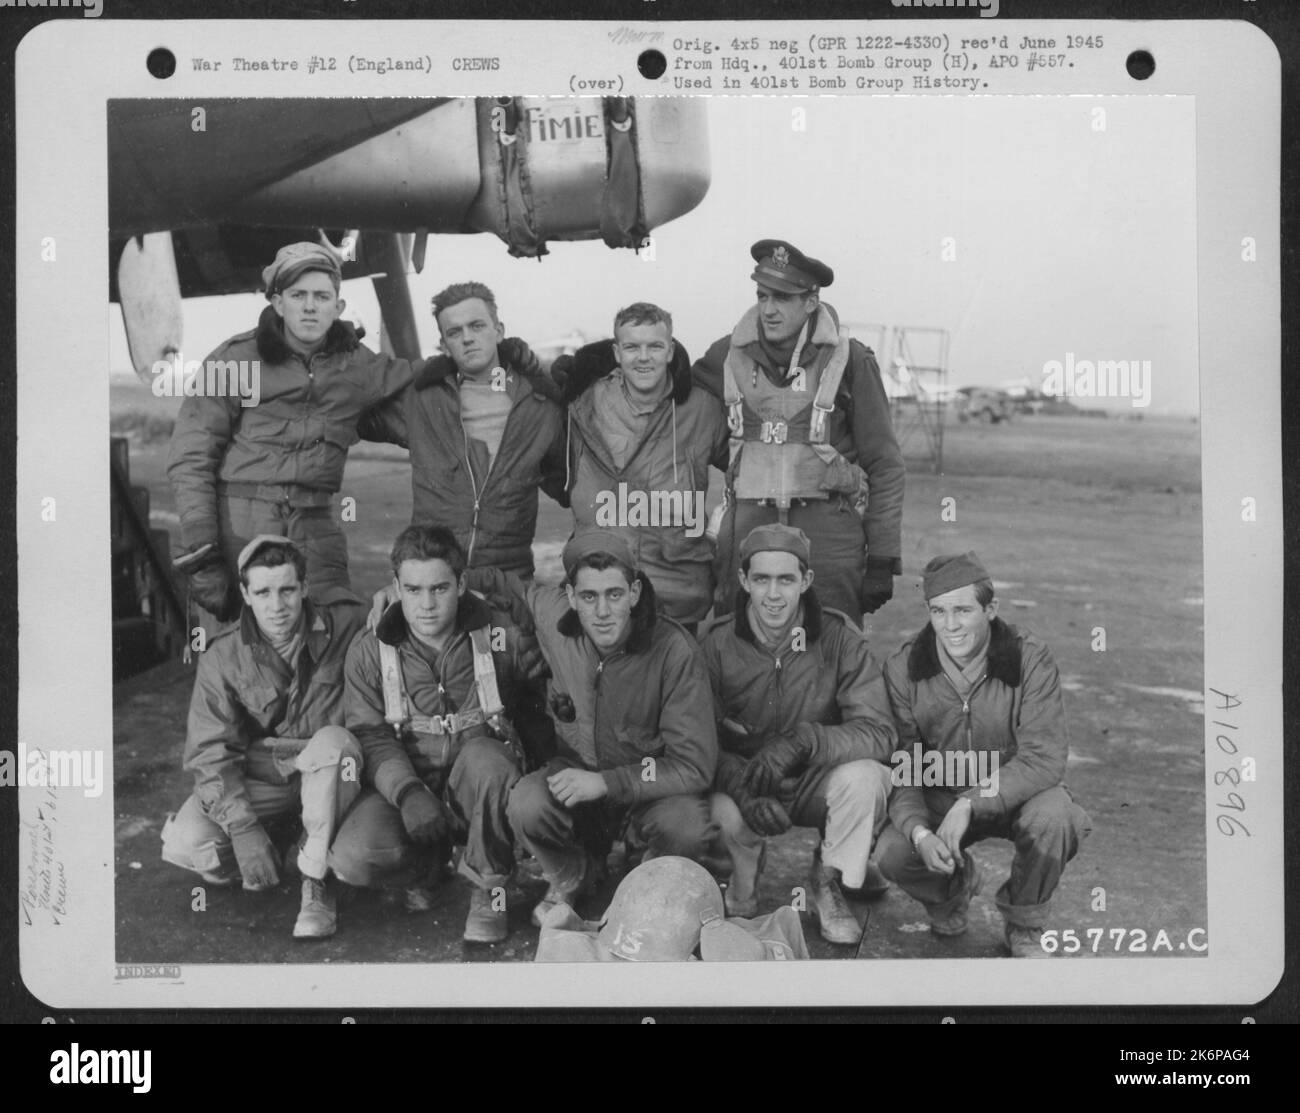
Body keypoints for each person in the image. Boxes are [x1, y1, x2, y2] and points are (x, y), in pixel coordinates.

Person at [465, 531, 724, 926]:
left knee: (687, 826)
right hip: (579, 780)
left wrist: (608, 782)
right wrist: (406, 592)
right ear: (570, 596)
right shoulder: (553, 614)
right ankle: (573, 874)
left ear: (635, 593)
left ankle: (643, 879)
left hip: (645, 790)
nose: (602, 611)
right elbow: (505, 584)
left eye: (614, 595)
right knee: (527, 803)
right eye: (589, 597)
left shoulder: (674, 650)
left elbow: (695, 765)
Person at [167, 240, 421, 622]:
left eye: (321, 296)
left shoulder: (357, 365)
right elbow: (191, 456)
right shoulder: (235, 360)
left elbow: (423, 385)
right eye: (297, 295)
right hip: (240, 524)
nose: (309, 306)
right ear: (277, 303)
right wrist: (203, 553)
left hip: (316, 525)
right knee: (237, 657)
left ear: (337, 307)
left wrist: (498, 366)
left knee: (331, 643)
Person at [875, 552, 1092, 957]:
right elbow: (902, 765)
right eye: (938, 611)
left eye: (963, 610)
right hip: (941, 795)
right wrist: (920, 833)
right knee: (892, 851)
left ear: (991, 609)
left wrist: (971, 803)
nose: (950, 625)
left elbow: (1044, 757)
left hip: (1015, 791)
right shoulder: (904, 668)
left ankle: (1024, 924)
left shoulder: (1030, 658)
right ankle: (950, 892)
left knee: (1057, 818)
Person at [698, 524, 898, 944]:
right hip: (745, 782)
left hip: (811, 778)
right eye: (762, 580)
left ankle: (830, 880)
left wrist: (806, 740)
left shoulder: (840, 638)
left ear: (806, 581)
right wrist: (739, 782)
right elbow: (693, 737)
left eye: (786, 579)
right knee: (715, 822)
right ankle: (741, 877)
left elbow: (879, 732)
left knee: (867, 778)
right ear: (743, 581)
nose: (774, 594)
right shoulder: (714, 643)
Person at [336, 525, 534, 944]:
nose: (426, 605)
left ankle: (487, 886)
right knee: (355, 856)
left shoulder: (498, 634)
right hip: (411, 782)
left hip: (478, 785)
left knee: (490, 761)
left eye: (440, 588)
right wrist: (407, 792)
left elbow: (537, 706)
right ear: (395, 588)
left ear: (462, 584)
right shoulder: (370, 650)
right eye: (413, 590)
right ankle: (428, 868)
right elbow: (370, 733)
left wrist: (534, 804)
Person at [160, 536, 364, 941]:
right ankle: (277, 841)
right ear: (245, 594)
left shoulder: (346, 623)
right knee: (188, 844)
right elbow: (210, 752)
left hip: (330, 774)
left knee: (331, 744)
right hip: (269, 777)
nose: (277, 605)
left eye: (287, 589)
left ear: (305, 588)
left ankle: (316, 883)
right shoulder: (223, 654)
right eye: (264, 592)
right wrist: (243, 828)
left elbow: (396, 613)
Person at [691, 239, 905, 620]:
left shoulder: (851, 360)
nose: (769, 310)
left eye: (782, 298)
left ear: (811, 302)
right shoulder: (725, 355)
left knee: (830, 650)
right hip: (748, 530)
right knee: (740, 652)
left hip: (827, 535)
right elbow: (675, 393)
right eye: (762, 296)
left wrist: (883, 557)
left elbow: (885, 463)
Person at [358, 281, 569, 577]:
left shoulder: (540, 408)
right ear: (444, 344)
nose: (467, 338)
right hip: (432, 576)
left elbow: (574, 486)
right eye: (455, 332)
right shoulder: (421, 400)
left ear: (499, 330)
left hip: (508, 580)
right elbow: (348, 413)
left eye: (477, 326)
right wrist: (343, 352)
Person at [552, 302, 730, 628]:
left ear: (671, 350)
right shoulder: (583, 403)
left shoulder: (704, 409)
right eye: (632, 347)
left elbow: (744, 463)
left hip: (679, 594)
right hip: (605, 588)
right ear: (617, 353)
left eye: (655, 346)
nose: (643, 357)